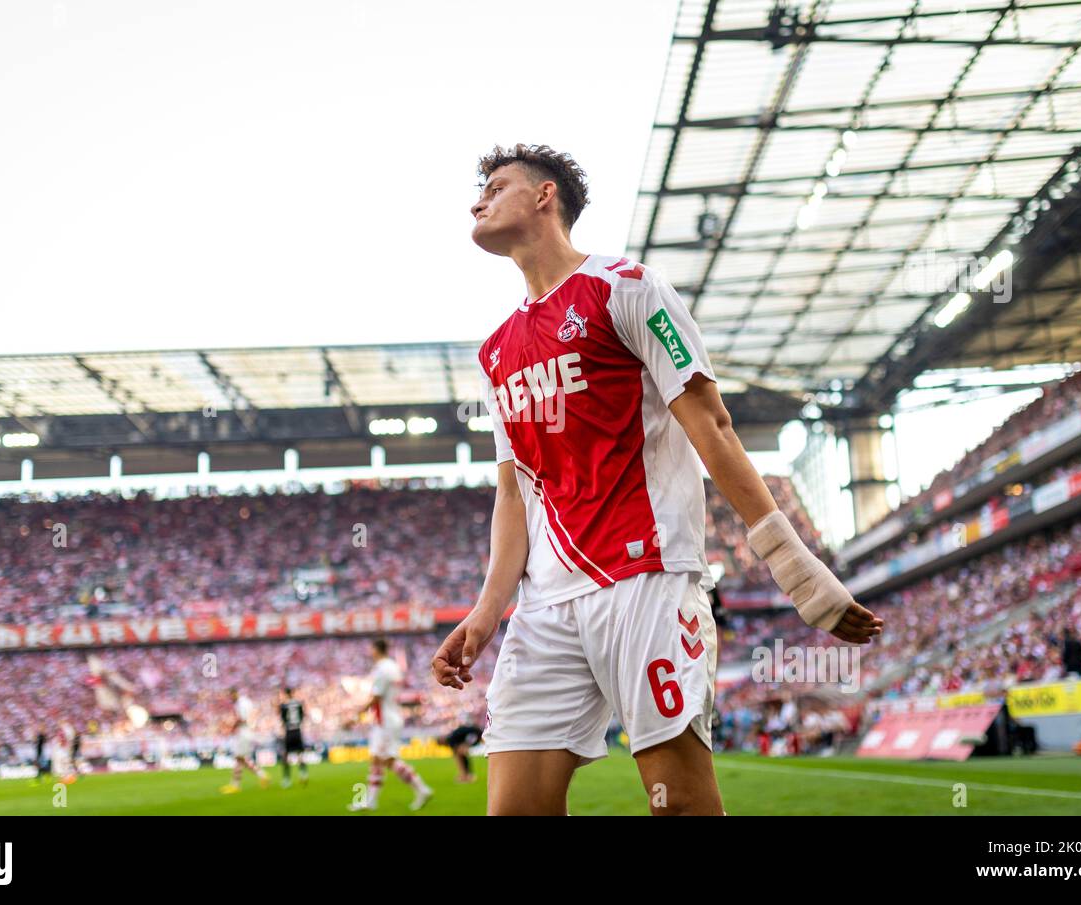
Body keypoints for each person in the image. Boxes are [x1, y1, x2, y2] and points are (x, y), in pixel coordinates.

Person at [431, 144, 881, 816]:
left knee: (679, 804)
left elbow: (713, 425)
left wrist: (797, 570)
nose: (477, 201)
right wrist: (487, 610)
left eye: (495, 186)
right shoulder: (496, 352)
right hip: (548, 606)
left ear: (545, 195)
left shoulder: (629, 288)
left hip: (644, 578)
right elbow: (514, 491)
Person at [349, 639, 432, 812]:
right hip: (390, 717)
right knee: (378, 760)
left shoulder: (382, 669)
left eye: (371, 649)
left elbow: (376, 697)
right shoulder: (393, 666)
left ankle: (422, 789)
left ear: (376, 649)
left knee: (386, 759)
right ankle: (370, 800)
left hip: (385, 721)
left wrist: (356, 717)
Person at [220, 689, 269, 793]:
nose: (230, 698)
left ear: (234, 693)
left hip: (244, 732)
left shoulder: (241, 703)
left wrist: (231, 727)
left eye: (231, 696)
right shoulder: (246, 701)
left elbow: (242, 719)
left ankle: (235, 785)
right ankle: (263, 776)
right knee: (242, 759)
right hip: (247, 731)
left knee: (239, 758)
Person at [278, 686, 309, 788]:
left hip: (289, 731)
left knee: (286, 755)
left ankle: (286, 779)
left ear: (285, 694)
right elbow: (302, 716)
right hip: (297, 730)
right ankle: (303, 773)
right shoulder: (298, 703)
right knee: (300, 753)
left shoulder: (284, 705)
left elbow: (282, 719)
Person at [444, 716, 484, 783]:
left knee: (460, 756)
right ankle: (466, 775)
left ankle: (466, 775)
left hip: (475, 733)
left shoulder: (451, 741)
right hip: (475, 732)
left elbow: (457, 755)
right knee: (462, 755)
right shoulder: (452, 737)